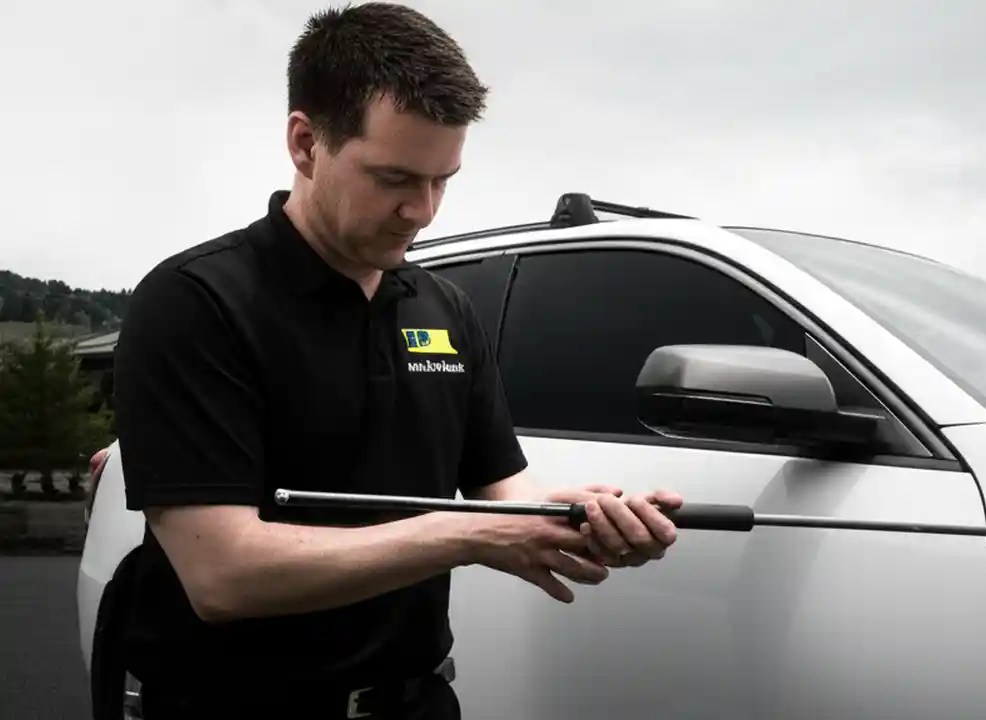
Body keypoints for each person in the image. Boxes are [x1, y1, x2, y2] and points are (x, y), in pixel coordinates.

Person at [110, 4, 683, 718]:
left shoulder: (445, 310)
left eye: (444, 179)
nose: (424, 210)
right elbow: (223, 576)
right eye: (394, 178)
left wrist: (581, 518)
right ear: (305, 142)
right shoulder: (198, 302)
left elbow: (505, 492)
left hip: (416, 702)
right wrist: (475, 534)